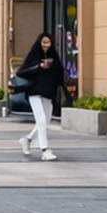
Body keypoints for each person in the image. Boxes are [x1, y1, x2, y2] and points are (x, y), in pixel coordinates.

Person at [15, 32, 63, 162]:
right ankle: (45, 150)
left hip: (48, 93)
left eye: (48, 42)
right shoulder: (34, 55)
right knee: (41, 120)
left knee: (45, 121)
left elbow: (60, 73)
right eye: (44, 42)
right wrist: (39, 67)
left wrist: (52, 67)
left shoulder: (54, 56)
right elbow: (21, 72)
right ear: (39, 42)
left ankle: (27, 139)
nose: (46, 45)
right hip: (34, 92)